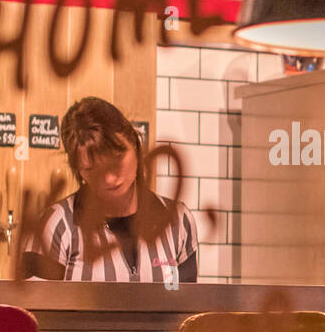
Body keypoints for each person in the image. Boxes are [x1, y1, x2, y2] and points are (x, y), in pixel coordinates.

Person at [23, 97, 198, 282]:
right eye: (92, 168)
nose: (109, 178)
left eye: (117, 158)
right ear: (79, 171)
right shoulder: (56, 226)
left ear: (136, 145)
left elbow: (185, 307)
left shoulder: (178, 221)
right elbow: (33, 310)